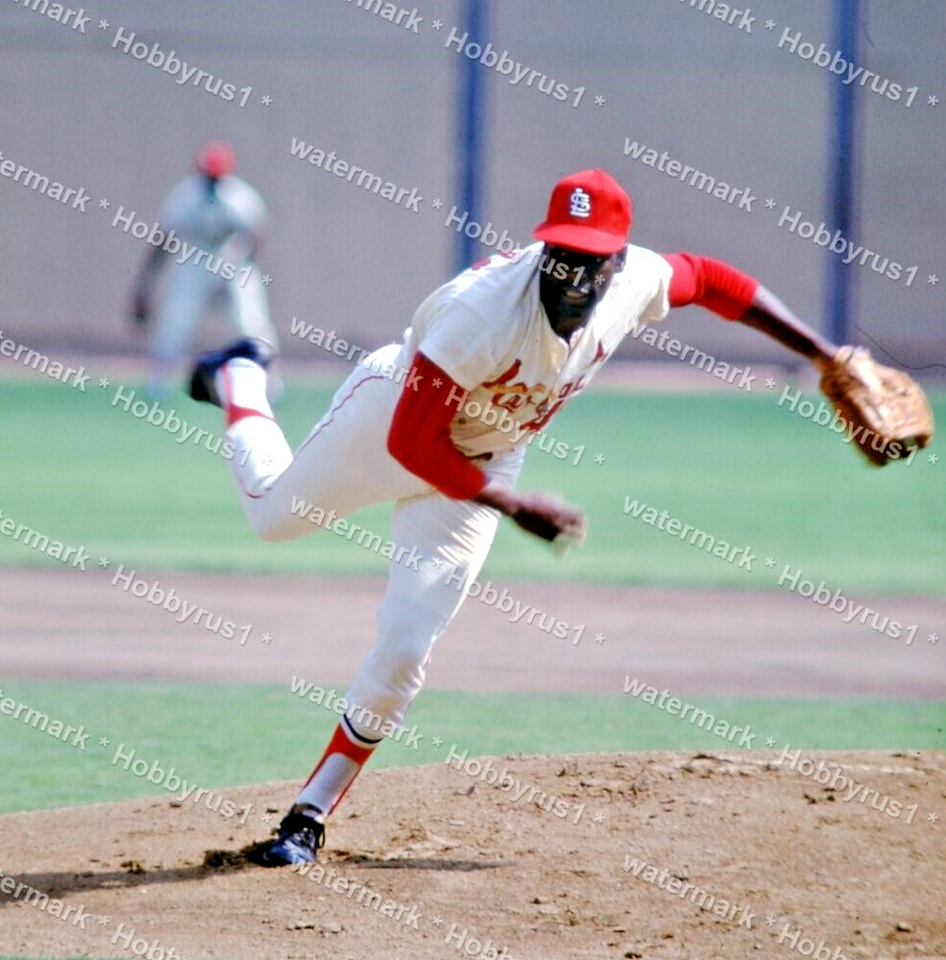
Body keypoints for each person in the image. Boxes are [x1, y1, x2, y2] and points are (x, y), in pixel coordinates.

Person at [187, 168, 838, 865]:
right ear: (542, 246)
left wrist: (828, 358)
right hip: (392, 422)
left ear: (619, 259)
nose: (573, 271)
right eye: (562, 251)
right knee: (270, 515)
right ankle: (241, 375)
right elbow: (412, 443)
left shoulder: (636, 282)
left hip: (486, 463)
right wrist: (511, 505)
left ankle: (307, 817)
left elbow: (713, 282)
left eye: (591, 257)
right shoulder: (482, 312)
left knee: (407, 648)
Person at [130, 141, 277, 400]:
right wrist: (145, 285)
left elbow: (256, 234)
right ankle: (159, 382)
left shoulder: (240, 196)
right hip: (196, 258)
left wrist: (244, 259)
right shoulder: (185, 196)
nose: (212, 181)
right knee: (176, 323)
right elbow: (164, 239)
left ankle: (270, 383)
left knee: (251, 322)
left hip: (231, 257)